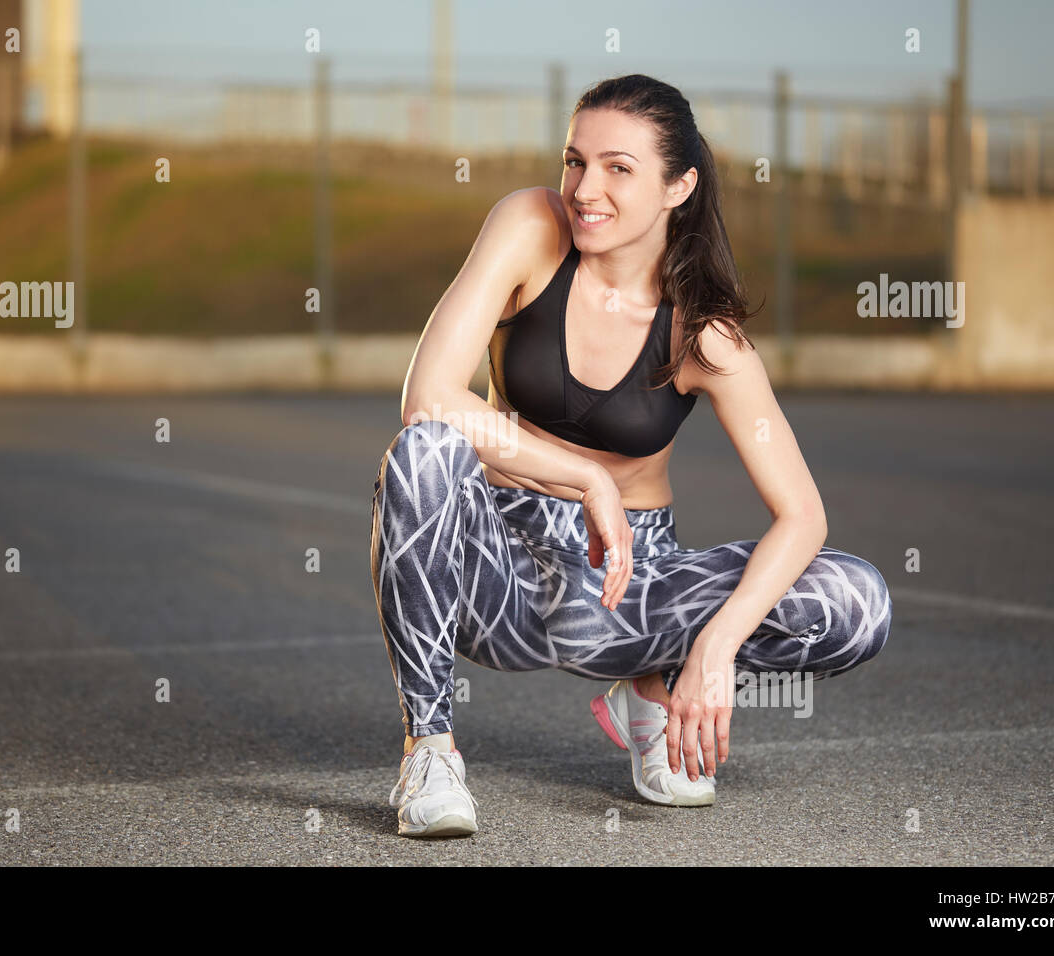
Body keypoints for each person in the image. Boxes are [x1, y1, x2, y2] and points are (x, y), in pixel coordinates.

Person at [369, 74, 892, 838]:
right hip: (497, 571)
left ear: (679, 185)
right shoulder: (528, 226)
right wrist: (585, 478)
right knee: (422, 454)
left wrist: (716, 648)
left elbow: (802, 515)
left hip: (620, 591)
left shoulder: (705, 337)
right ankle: (430, 750)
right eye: (575, 161)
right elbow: (428, 399)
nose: (586, 189)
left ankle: (653, 689)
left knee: (858, 602)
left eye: (619, 168)